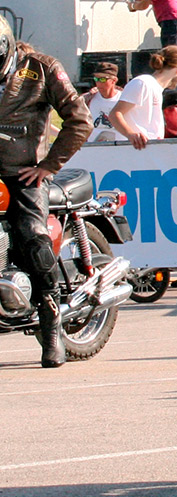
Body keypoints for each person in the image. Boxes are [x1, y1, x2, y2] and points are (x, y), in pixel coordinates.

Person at [0, 22, 91, 367]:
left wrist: (49, 165)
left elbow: (80, 118)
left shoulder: (41, 68)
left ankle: (51, 321)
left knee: (33, 237)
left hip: (24, 173)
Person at [105, 46, 177, 150]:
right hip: (132, 152)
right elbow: (115, 114)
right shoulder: (143, 83)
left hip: (148, 152)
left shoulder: (156, 88)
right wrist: (131, 134)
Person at [85, 62, 122, 138]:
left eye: (102, 79)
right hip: (94, 146)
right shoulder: (89, 99)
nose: (98, 83)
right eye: (96, 79)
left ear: (114, 80)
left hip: (119, 146)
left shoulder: (124, 99)